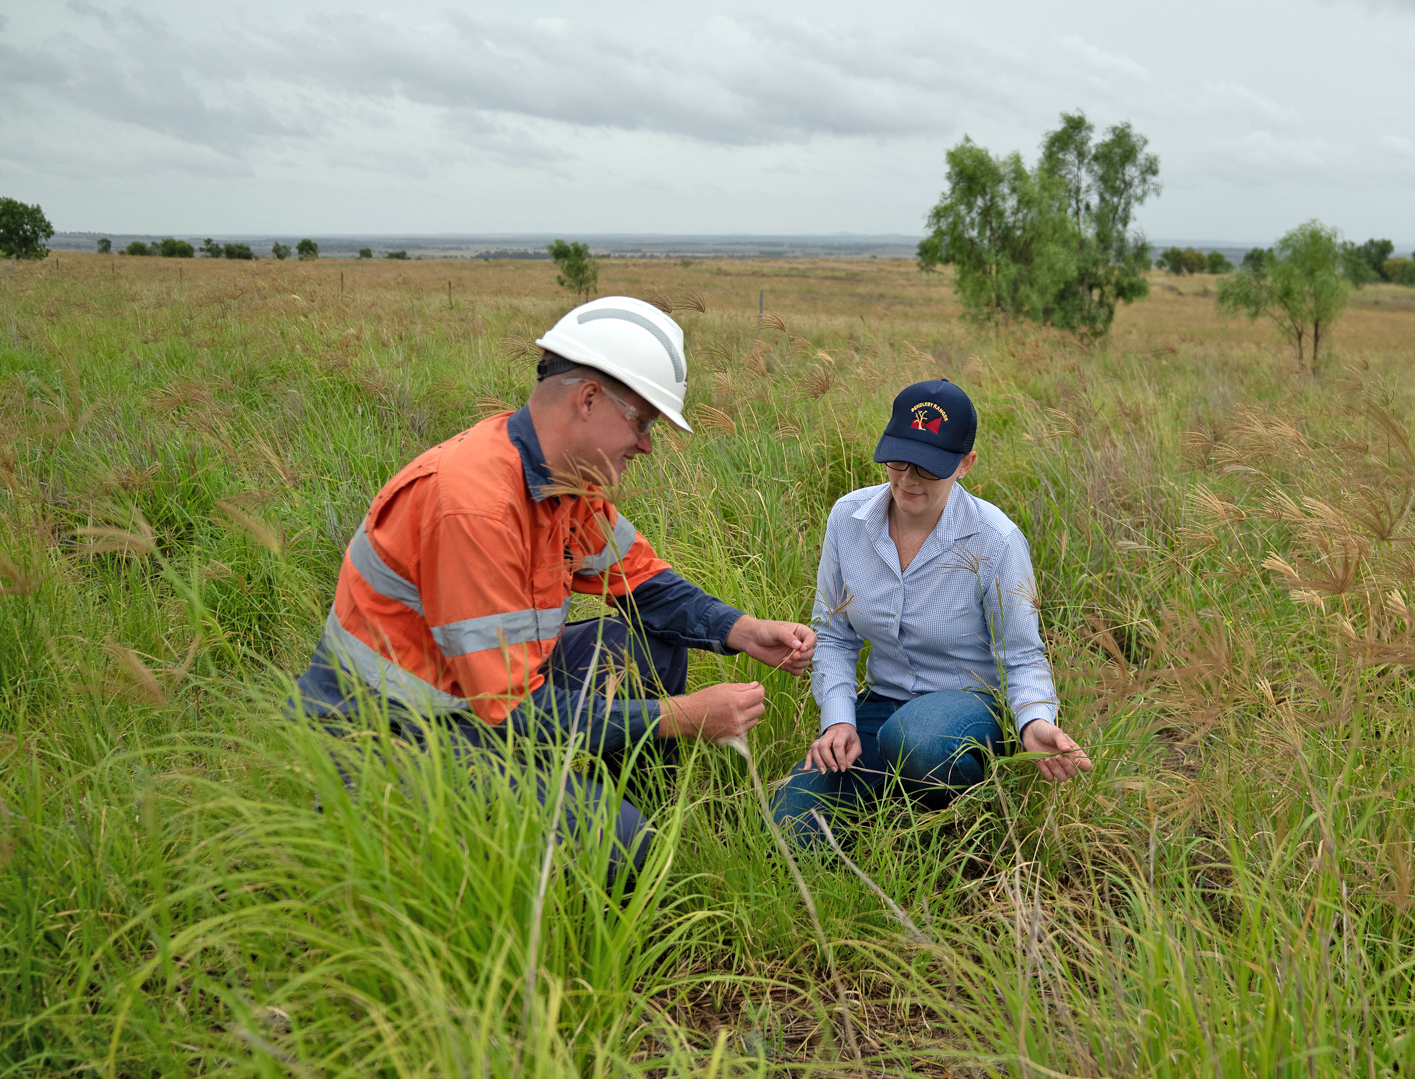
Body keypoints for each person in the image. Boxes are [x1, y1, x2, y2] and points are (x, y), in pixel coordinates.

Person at [294, 295, 817, 883]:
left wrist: (742, 632)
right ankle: (600, 839)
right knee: (618, 840)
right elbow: (511, 710)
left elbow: (645, 584)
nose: (646, 444)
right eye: (642, 422)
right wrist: (681, 717)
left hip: (469, 704)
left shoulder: (563, 482)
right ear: (588, 398)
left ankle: (592, 803)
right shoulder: (474, 505)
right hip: (389, 741)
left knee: (652, 644)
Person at [769, 379, 1090, 846]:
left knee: (919, 739)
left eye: (930, 466)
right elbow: (835, 636)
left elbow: (1022, 655)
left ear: (964, 464)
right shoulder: (848, 519)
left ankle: (955, 816)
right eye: (898, 460)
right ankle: (888, 794)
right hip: (880, 708)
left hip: (966, 711)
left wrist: (1033, 721)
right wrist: (839, 719)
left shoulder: (996, 540)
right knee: (788, 830)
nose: (908, 479)